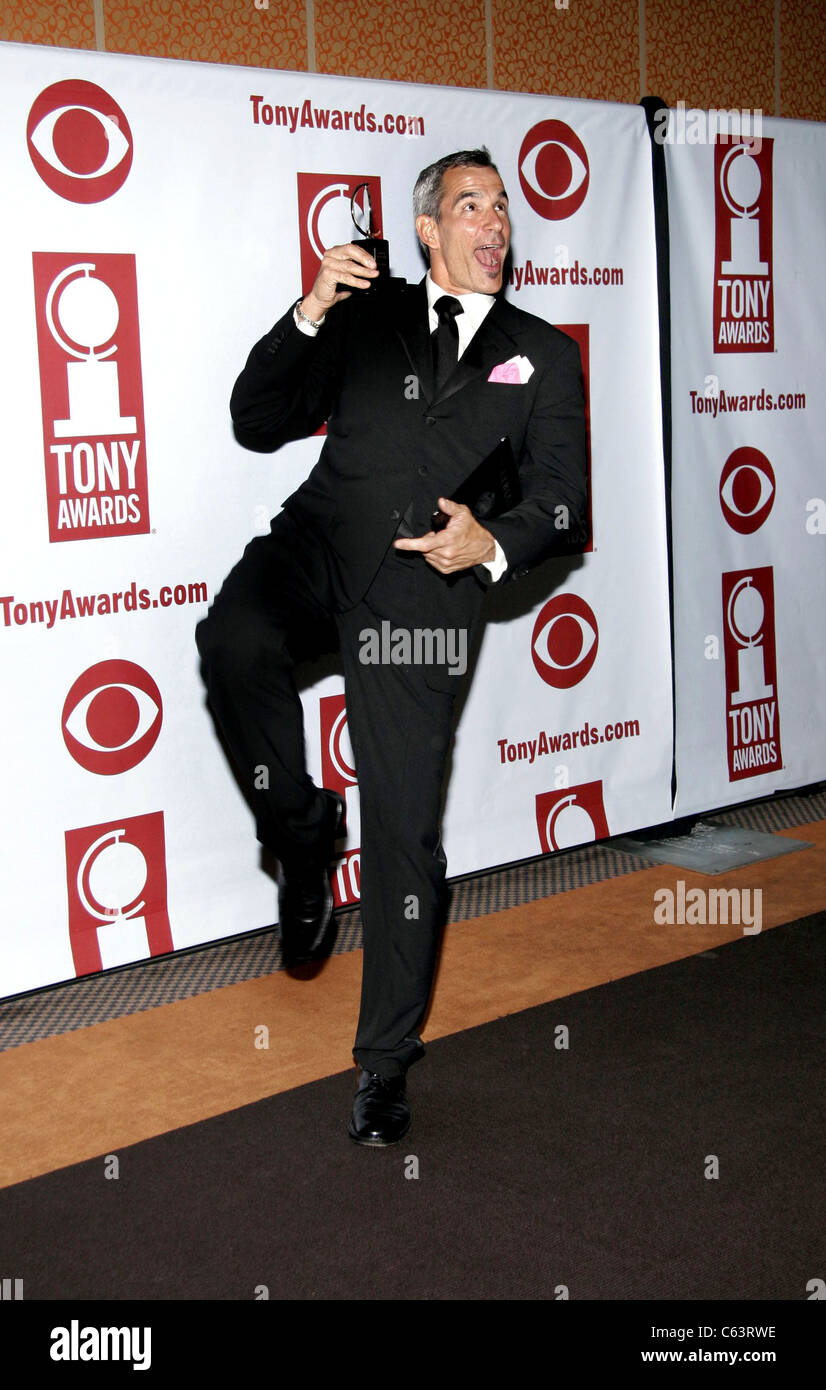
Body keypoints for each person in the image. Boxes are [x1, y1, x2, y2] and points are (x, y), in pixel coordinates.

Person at [196, 148, 587, 1146]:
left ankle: (382, 1064)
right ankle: (300, 834)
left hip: (424, 592)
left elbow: (563, 498)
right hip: (322, 547)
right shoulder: (366, 313)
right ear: (427, 230)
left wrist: (493, 541)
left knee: (405, 834)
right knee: (234, 637)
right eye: (469, 205)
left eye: (502, 207)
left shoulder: (540, 352)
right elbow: (256, 416)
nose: (493, 222)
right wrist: (313, 306)